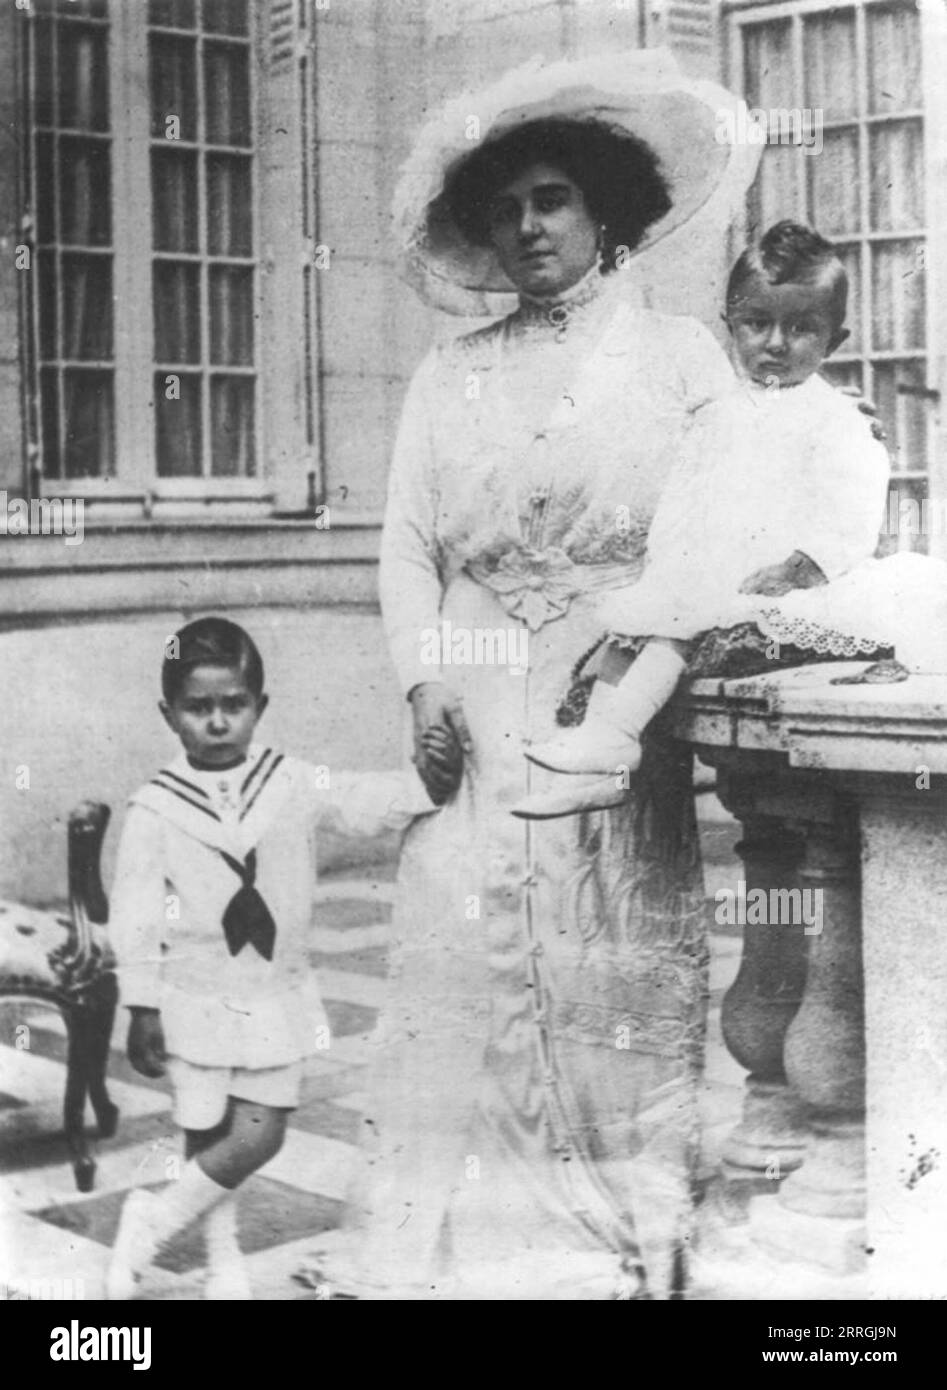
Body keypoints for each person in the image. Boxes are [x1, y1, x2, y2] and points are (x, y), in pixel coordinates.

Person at [295, 50, 760, 1300]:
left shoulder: (680, 359)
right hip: (475, 694)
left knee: (609, 951)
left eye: (550, 198)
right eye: (505, 208)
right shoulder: (453, 374)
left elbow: (706, 541)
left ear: (604, 207)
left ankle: (623, 1237)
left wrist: (631, 674)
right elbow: (406, 539)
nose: (526, 225)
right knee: (463, 957)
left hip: (606, 701)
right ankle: (449, 1259)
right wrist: (420, 680)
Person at [106, 617, 441, 1300]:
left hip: (273, 991)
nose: (219, 721)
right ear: (169, 714)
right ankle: (221, 1256)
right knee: (203, 1128)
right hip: (193, 992)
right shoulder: (155, 808)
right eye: (199, 708)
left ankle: (150, 1219)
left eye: (234, 704)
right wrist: (140, 1003)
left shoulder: (288, 780)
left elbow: (358, 801)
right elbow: (136, 913)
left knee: (260, 1132)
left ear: (260, 705)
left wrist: (425, 785)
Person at [515, 221, 892, 818]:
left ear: (834, 340)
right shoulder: (720, 408)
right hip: (704, 567)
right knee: (624, 633)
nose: (775, 343)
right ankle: (605, 755)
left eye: (800, 329)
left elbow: (852, 508)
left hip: (777, 582)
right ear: (730, 325)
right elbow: (687, 489)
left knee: (673, 631)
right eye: (756, 323)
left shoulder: (836, 420)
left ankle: (618, 733)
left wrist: (804, 564)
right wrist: (668, 561)